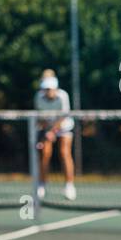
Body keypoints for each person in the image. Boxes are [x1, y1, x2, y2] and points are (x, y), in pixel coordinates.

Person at [34, 69, 77, 201]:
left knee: (64, 153)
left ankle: (69, 186)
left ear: (55, 88)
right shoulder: (39, 97)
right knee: (45, 154)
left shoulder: (63, 96)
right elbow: (40, 117)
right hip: (47, 127)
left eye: (50, 89)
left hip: (63, 126)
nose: (48, 91)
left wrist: (53, 131)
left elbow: (64, 116)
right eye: (46, 89)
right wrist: (47, 131)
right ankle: (42, 185)